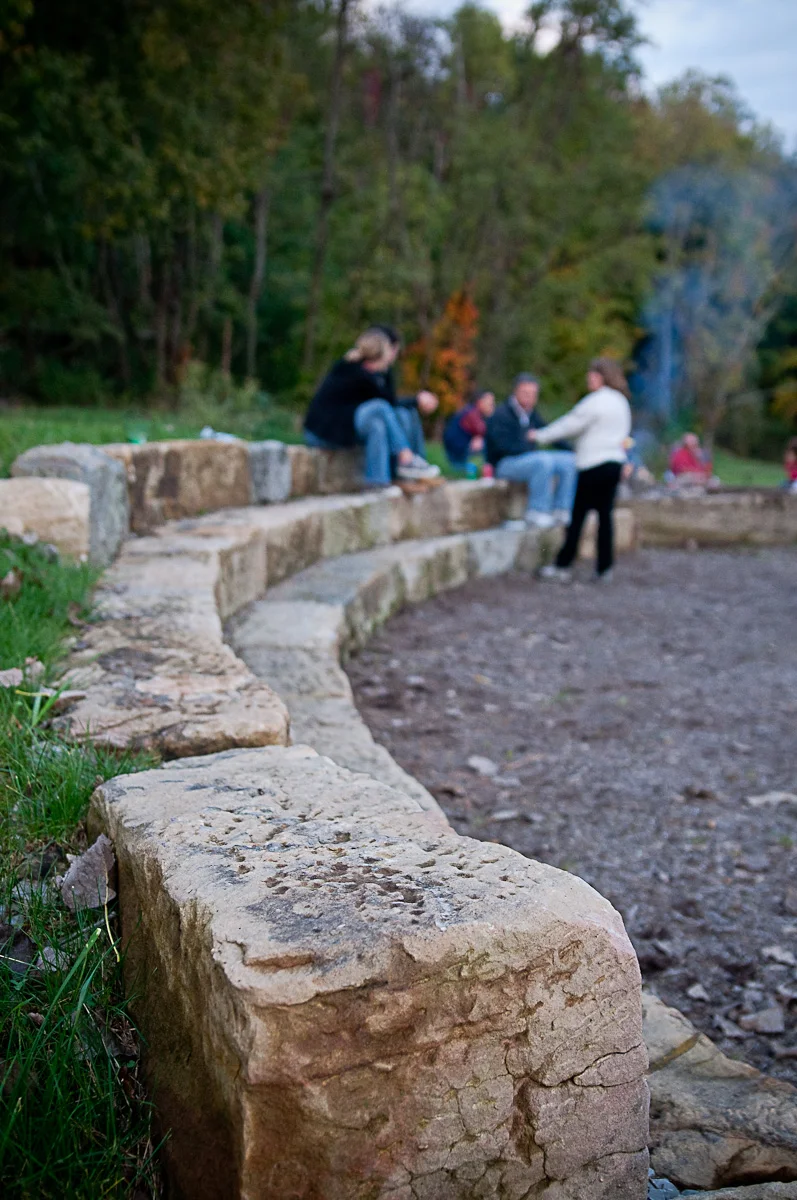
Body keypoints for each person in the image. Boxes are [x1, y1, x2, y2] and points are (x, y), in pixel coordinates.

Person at [534, 357, 632, 582]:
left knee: (578, 516)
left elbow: (570, 424)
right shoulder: (621, 402)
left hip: (593, 465)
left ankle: (563, 564)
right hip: (614, 463)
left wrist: (539, 435)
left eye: (592, 375)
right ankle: (605, 567)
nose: (589, 379)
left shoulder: (596, 401)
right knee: (605, 517)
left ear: (601, 376)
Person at [304, 329, 439, 486]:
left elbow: (391, 402)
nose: (391, 358)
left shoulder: (372, 375)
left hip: (344, 429)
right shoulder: (352, 372)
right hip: (322, 435)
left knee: (377, 425)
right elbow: (386, 403)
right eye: (390, 352)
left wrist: (415, 401)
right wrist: (416, 399)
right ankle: (406, 458)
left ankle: (378, 483)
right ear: (381, 354)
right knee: (380, 407)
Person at [485, 373, 577, 528]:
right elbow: (502, 447)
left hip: (528, 459)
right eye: (525, 393)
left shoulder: (531, 414)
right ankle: (537, 511)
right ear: (515, 392)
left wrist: (573, 450)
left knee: (568, 460)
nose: (529, 398)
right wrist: (528, 442)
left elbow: (548, 434)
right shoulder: (502, 414)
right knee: (542, 460)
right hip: (504, 463)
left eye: (533, 394)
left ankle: (562, 509)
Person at [443, 389, 496, 470]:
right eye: (489, 402)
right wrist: (491, 415)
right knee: (487, 443)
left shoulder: (470, 410)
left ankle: (483, 468)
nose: (492, 405)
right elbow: (486, 431)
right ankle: (487, 469)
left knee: (483, 441)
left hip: (457, 451)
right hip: (456, 455)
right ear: (480, 402)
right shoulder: (472, 413)